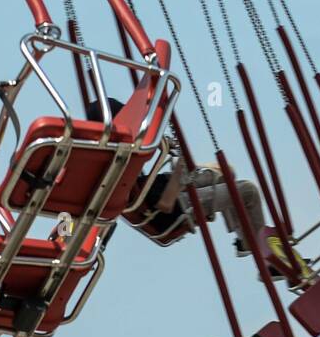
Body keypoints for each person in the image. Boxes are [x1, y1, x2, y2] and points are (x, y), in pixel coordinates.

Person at [86, 98, 265, 253]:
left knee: (226, 170)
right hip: (174, 207)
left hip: (165, 188)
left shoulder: (118, 159)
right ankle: (262, 251)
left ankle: (245, 238)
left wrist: (170, 153)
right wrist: (180, 170)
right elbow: (165, 205)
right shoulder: (119, 167)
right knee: (248, 191)